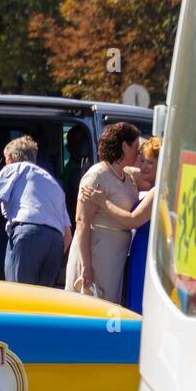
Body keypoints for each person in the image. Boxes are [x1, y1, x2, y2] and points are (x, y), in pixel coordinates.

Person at [0, 135, 70, 287]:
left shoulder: (15, 168)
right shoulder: (53, 182)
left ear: (11, 158)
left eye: (5, 160)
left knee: (19, 293)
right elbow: (68, 236)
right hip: (56, 242)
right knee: (44, 299)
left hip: (28, 235)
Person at [65, 121, 144, 302]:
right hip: (96, 255)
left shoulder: (128, 175)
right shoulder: (97, 175)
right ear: (124, 146)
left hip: (114, 257)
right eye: (136, 148)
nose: (138, 153)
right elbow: (82, 222)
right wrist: (86, 267)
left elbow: (153, 174)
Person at [122, 136, 161, 312]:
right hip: (141, 249)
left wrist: (102, 202)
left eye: (151, 163)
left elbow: (132, 220)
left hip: (146, 252)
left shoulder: (157, 190)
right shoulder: (153, 188)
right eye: (143, 161)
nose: (144, 166)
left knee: (139, 302)